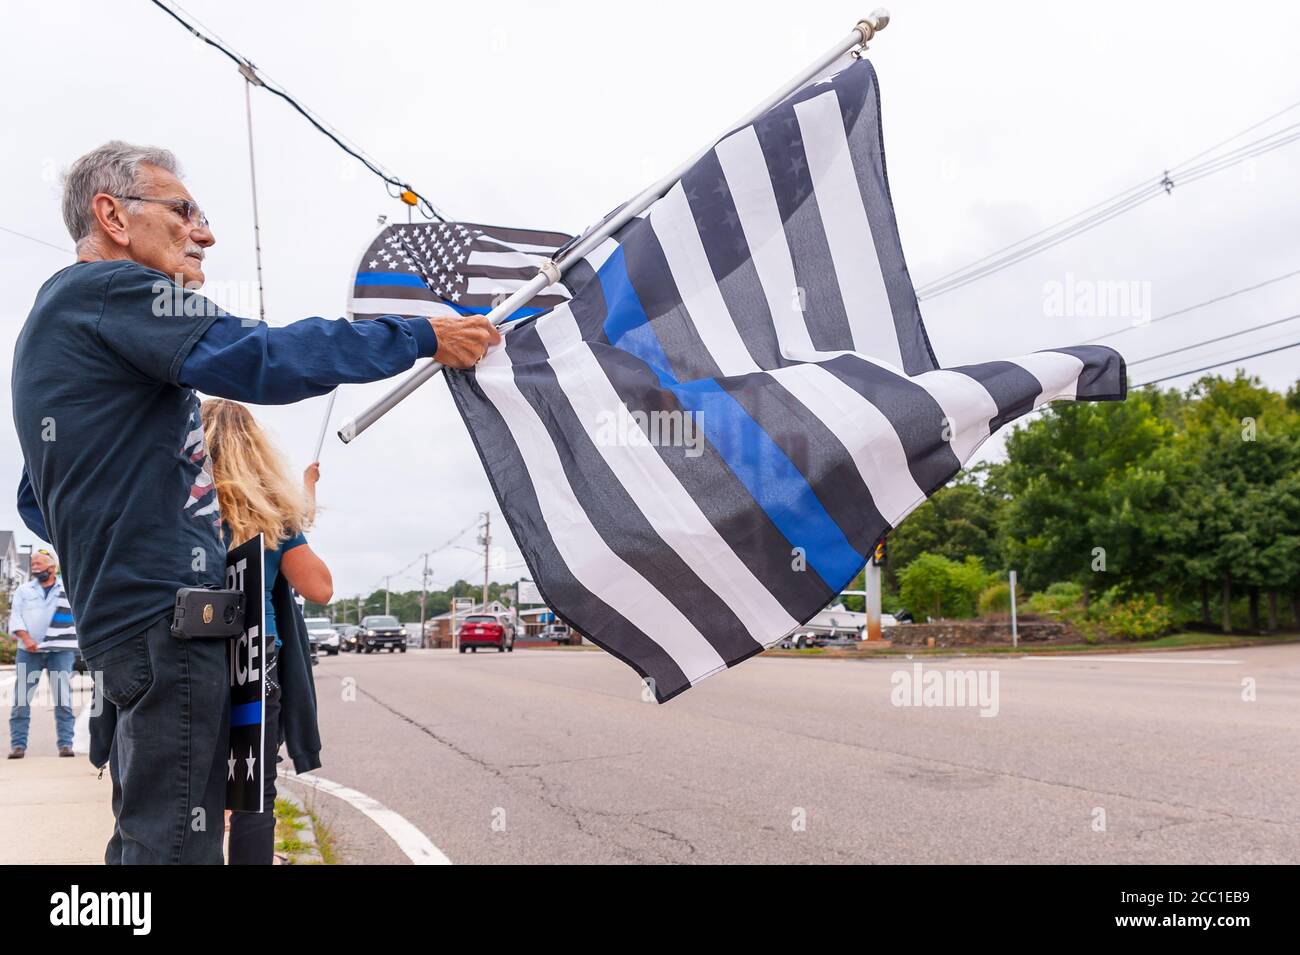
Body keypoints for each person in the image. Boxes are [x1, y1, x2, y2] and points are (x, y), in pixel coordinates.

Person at [11, 140, 499, 864]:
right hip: (167, 626)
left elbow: (34, 496)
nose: (203, 231)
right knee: (178, 849)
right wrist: (420, 334)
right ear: (112, 215)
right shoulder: (110, 292)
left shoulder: (56, 324)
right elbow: (263, 357)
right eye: (184, 211)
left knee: (154, 837)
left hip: (133, 628)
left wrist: (131, 542)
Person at [201, 398, 332, 865]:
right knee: (252, 788)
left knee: (191, 784)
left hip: (188, 655)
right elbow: (319, 587)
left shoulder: (174, 501)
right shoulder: (271, 512)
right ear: (257, 447)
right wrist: (295, 509)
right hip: (256, 660)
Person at [7, 550, 78, 758]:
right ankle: (18, 746)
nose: (35, 567)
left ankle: (66, 745)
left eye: (39, 563)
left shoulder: (67, 589)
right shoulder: (23, 590)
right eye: (33, 564)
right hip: (29, 652)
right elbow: (16, 616)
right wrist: (26, 639)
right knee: (22, 699)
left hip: (60, 652)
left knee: (63, 698)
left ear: (52, 567)